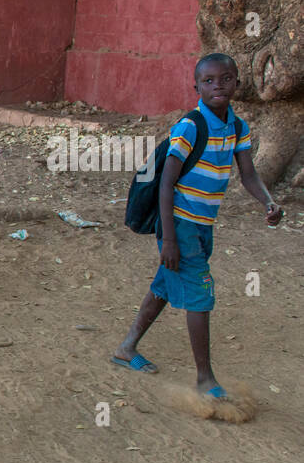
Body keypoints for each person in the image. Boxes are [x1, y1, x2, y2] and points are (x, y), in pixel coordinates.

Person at [112, 53, 282, 397]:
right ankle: (205, 379)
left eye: (225, 79)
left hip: (204, 225)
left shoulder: (238, 127)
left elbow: (248, 174)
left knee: (165, 284)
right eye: (208, 81)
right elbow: (165, 183)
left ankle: (126, 348)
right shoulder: (190, 126)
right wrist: (170, 239)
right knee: (200, 295)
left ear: (236, 82)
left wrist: (268, 201)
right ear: (196, 87)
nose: (217, 86)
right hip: (179, 224)